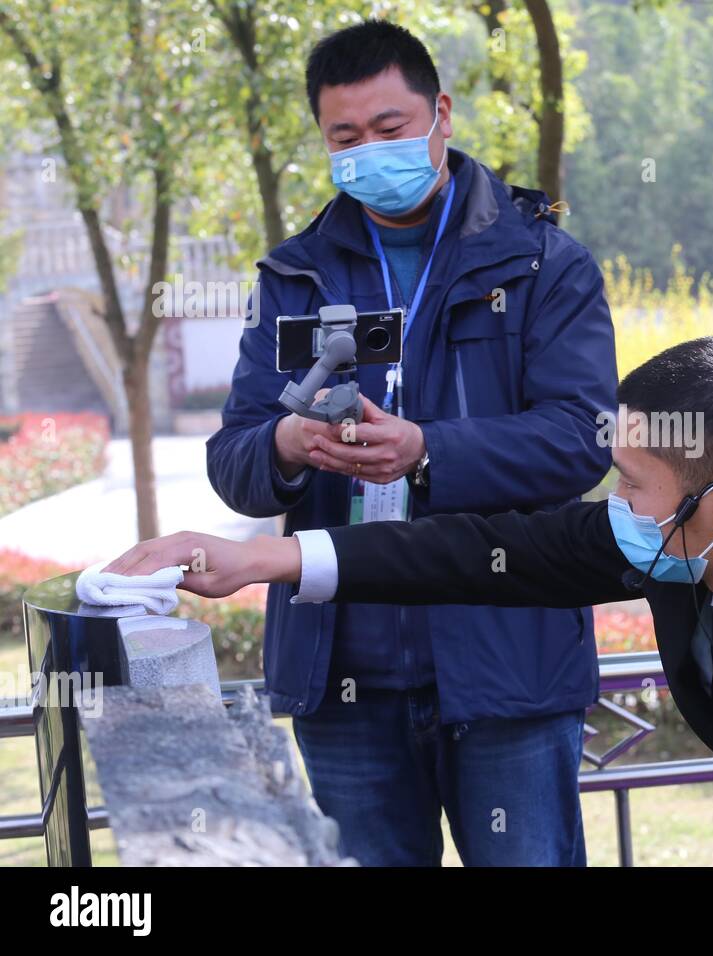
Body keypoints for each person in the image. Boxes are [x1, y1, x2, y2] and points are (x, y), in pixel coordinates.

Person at [117, 335, 713, 866]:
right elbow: (482, 553)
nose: (614, 506)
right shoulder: (690, 543)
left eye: (629, 484)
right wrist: (271, 559)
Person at [205, 18, 616, 866]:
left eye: (389, 128)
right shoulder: (293, 277)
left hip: (508, 666)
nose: (369, 152)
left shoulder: (541, 264)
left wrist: (428, 451)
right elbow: (234, 460)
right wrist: (287, 443)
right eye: (345, 138)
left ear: (442, 115)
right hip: (343, 674)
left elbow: (583, 438)